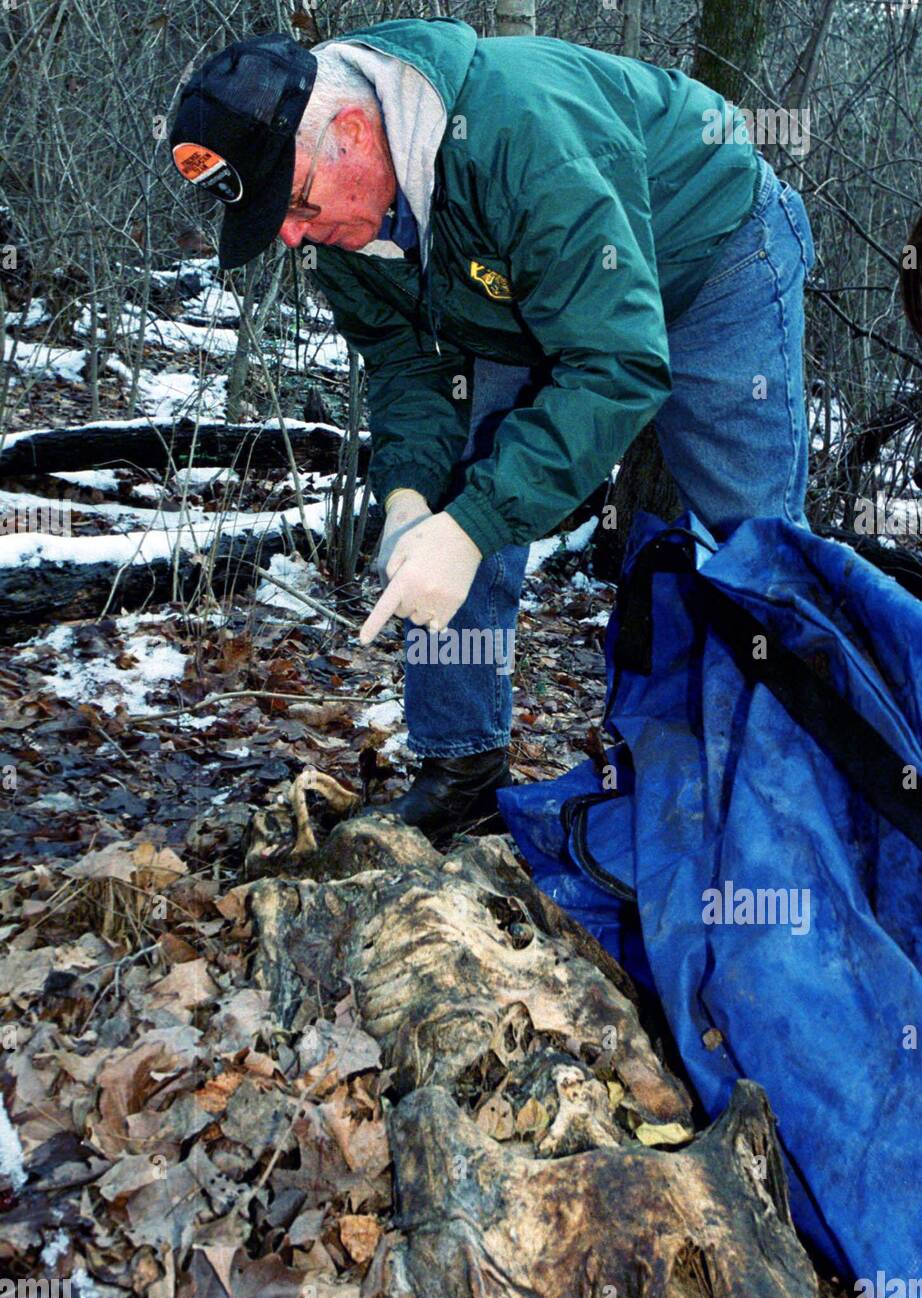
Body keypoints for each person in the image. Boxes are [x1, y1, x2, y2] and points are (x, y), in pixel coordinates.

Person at [170, 19, 816, 843]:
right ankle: (463, 775)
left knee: (752, 537)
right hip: (515, 289)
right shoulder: (345, 216)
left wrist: (474, 530)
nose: (292, 234)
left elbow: (616, 364)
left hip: (712, 250)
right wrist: (409, 499)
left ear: (353, 133)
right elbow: (409, 373)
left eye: (293, 203)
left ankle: (786, 793)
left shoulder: (520, 140)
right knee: (447, 509)